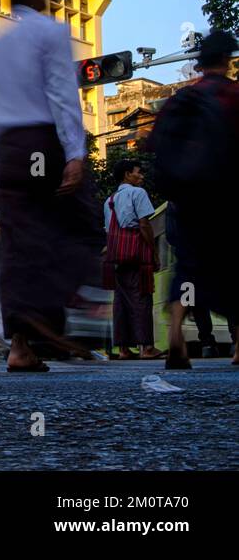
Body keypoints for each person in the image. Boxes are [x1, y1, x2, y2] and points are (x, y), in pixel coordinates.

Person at [0, 0, 101, 372]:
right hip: (41, 142)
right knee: (83, 228)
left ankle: (19, 344)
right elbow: (62, 92)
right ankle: (47, 307)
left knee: (17, 240)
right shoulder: (51, 32)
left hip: (8, 151)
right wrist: (75, 153)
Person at [150, 29, 239, 370]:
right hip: (227, 196)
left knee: (187, 266)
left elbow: (155, 145)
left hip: (187, 198)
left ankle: (175, 334)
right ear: (226, 60)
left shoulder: (181, 100)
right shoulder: (233, 96)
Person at [102, 159, 163, 360]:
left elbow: (109, 229)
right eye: (138, 172)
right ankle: (146, 347)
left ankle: (123, 349)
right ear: (128, 175)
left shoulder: (109, 200)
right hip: (136, 253)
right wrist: (154, 253)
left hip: (116, 256)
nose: (141, 176)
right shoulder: (138, 193)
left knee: (121, 302)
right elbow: (144, 224)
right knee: (142, 298)